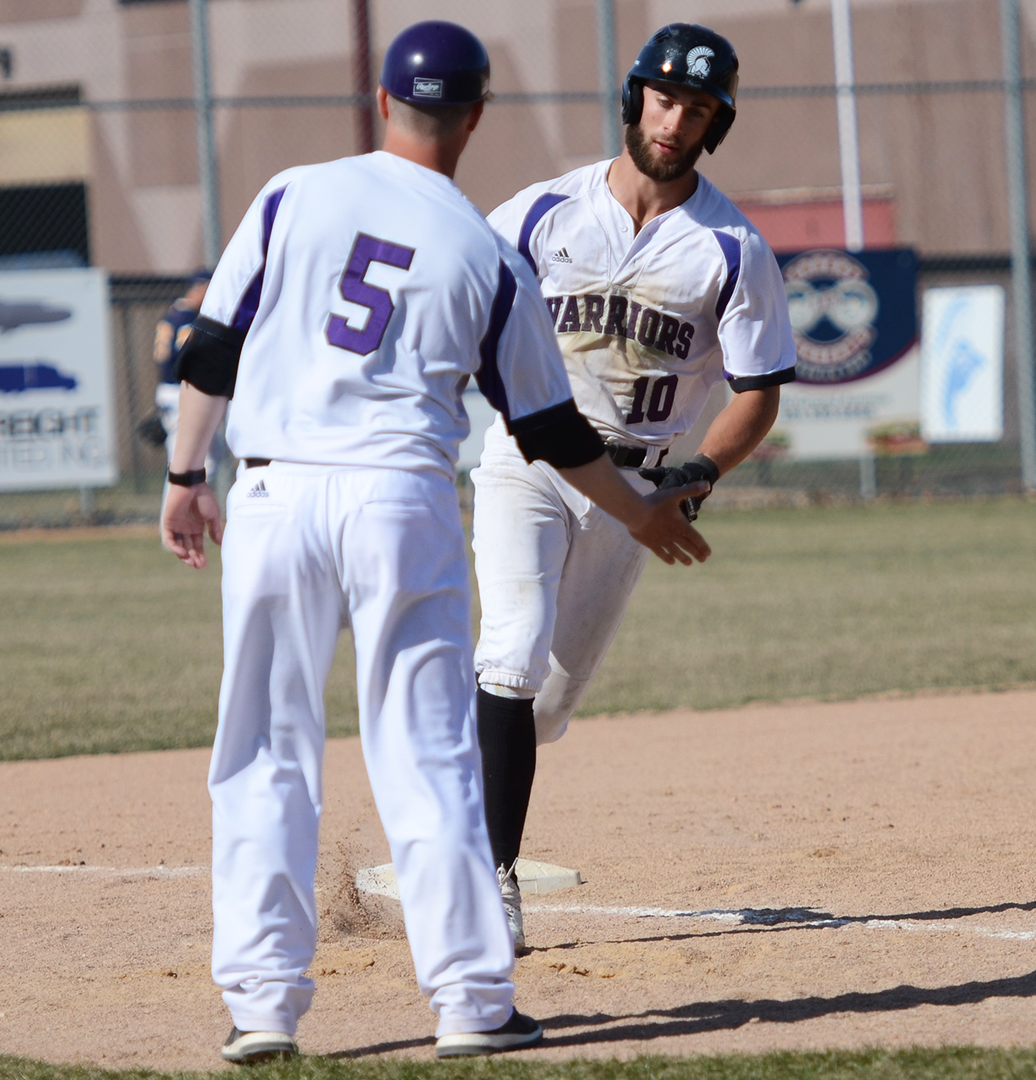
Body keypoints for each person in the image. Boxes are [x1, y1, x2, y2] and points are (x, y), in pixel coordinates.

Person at [158, 20, 710, 1064]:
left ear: (382, 104)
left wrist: (187, 477)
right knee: (427, 757)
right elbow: (546, 429)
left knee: (265, 753)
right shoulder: (482, 247)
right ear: (476, 116)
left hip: (274, 493)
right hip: (401, 501)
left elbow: (211, 347)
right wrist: (636, 510)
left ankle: (264, 1009)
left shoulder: (292, 193)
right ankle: (468, 1003)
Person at [470, 23, 797, 954]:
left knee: (548, 705)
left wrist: (698, 471)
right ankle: (490, 883)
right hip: (527, 458)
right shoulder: (539, 213)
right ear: (634, 99)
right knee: (512, 651)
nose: (675, 120)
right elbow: (463, 311)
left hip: (636, 482)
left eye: (697, 109)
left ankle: (455, 788)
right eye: (664, 99)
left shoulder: (729, 247)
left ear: (714, 125)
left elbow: (758, 394)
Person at [142, 270, 226, 471]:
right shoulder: (190, 320)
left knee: (185, 461)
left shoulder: (172, 314)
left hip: (168, 390)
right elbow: (191, 358)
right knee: (197, 465)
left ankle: (179, 501)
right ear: (199, 288)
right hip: (183, 391)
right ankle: (180, 503)